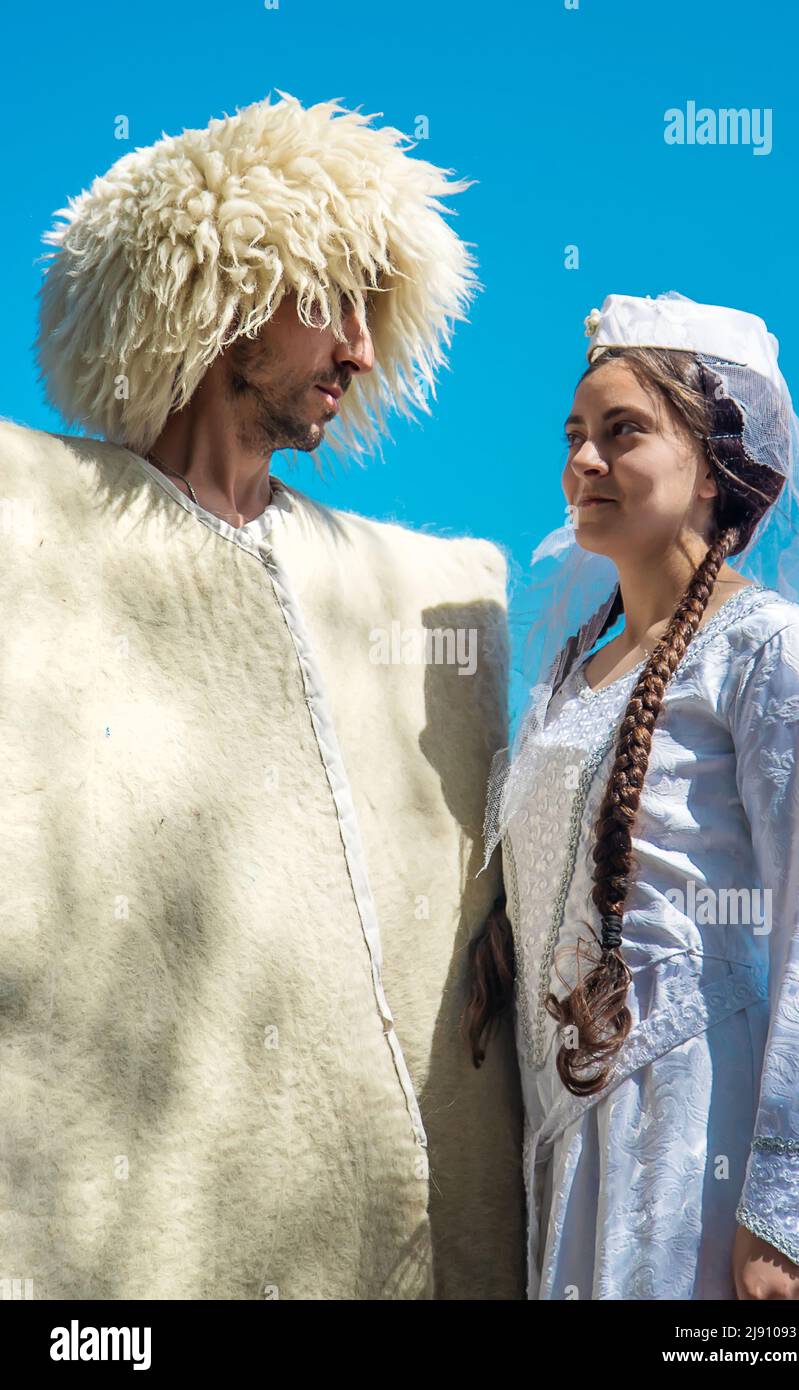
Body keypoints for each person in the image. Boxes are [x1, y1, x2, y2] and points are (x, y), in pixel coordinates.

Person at [0, 91, 525, 1300]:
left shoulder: (424, 594)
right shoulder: (39, 530)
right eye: (330, 304)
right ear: (223, 302)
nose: (359, 347)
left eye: (371, 315)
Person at [463, 291, 799, 1300]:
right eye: (574, 435)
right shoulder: (564, 676)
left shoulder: (771, 651)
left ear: (714, 461)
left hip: (694, 1134)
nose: (582, 462)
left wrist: (783, 1204)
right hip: (565, 1125)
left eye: (622, 432)